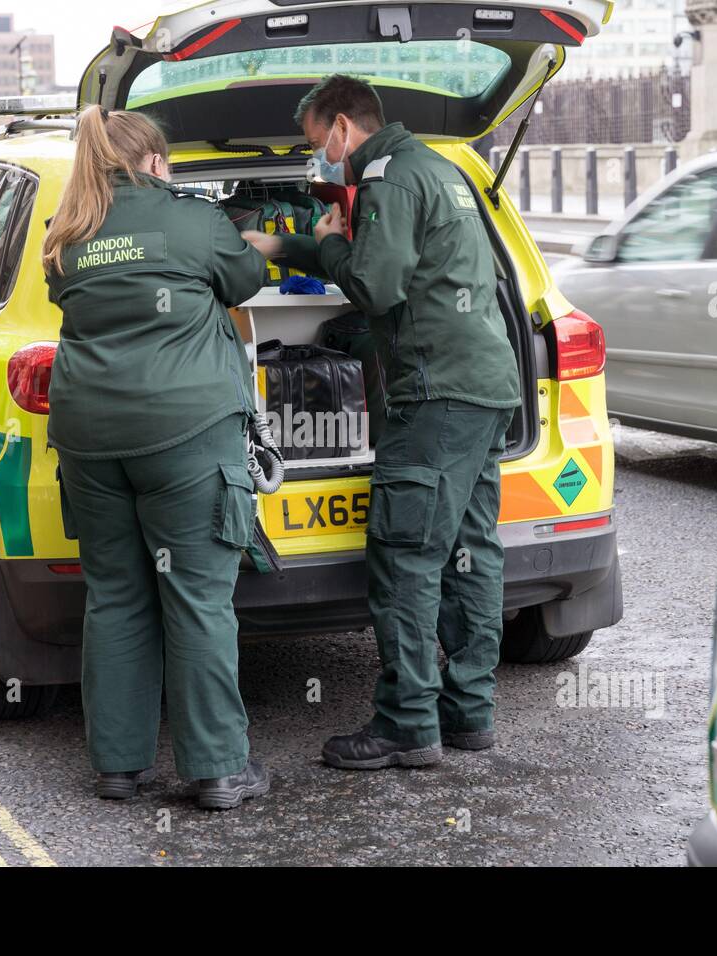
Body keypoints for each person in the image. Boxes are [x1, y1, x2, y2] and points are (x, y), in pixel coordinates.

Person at [244, 76, 521, 770]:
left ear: (342, 128)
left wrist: (329, 247)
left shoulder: (387, 178)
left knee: (405, 555)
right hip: (484, 387)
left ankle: (406, 724)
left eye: (318, 146)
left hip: (435, 395)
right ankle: (468, 713)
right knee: (469, 550)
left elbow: (375, 285)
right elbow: (403, 265)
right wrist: (294, 248)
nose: (320, 162)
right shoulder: (442, 168)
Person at [43, 107, 269, 809]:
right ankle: (218, 771)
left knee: (115, 598)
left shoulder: (67, 235)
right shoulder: (192, 221)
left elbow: (74, 295)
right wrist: (256, 240)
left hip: (90, 442)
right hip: (185, 436)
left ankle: (118, 766)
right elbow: (247, 279)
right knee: (199, 602)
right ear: (153, 162)